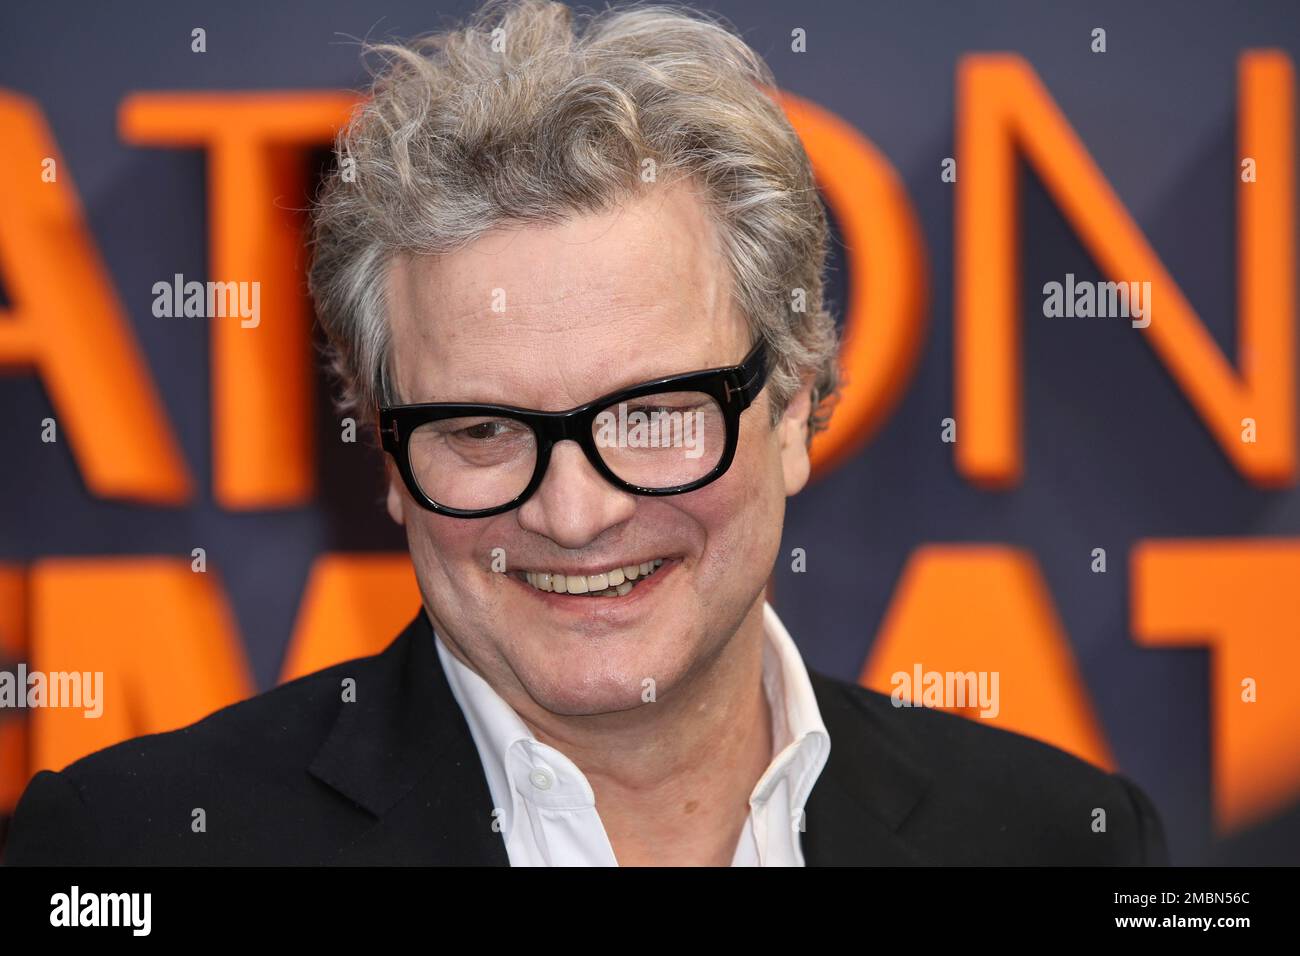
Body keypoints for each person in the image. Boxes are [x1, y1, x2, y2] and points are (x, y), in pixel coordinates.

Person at [3, 0, 1166, 867]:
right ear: (387, 459)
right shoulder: (121, 855)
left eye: (652, 413)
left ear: (799, 404)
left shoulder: (1064, 843)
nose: (572, 512)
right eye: (479, 428)